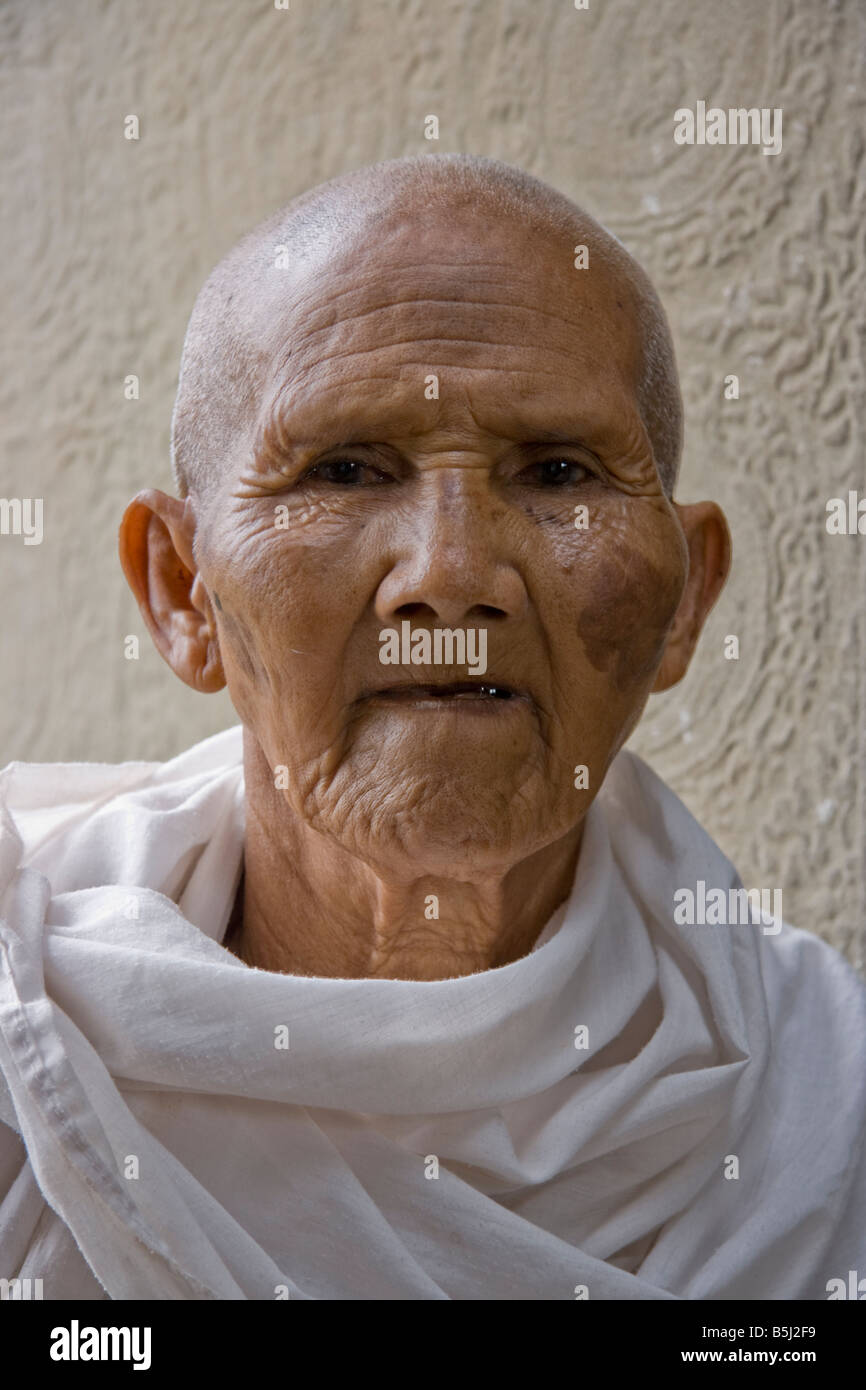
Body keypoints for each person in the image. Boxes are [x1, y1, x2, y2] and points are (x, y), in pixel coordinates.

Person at [1, 154, 863, 1300]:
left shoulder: (822, 1098)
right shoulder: (36, 1046)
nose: (450, 573)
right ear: (179, 590)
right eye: (346, 468)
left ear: (683, 599)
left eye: (556, 471)